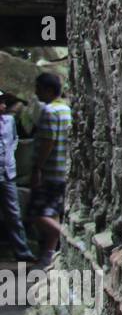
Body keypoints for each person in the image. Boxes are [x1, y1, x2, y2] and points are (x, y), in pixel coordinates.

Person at [28, 72, 71, 267]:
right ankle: (47, 256)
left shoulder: (49, 112)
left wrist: (37, 168)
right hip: (65, 171)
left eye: (38, 88)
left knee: (37, 213)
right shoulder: (66, 110)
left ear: (48, 90)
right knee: (52, 212)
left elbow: (47, 142)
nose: (36, 92)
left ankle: (67, 237)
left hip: (51, 171)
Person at [0, 91, 36, 262]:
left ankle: (22, 252)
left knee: (14, 213)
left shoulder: (9, 121)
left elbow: (14, 140)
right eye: (1, 103)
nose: (4, 106)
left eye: (4, 102)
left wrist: (9, 158)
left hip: (7, 174)